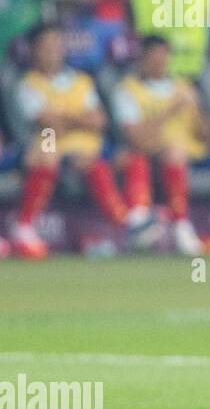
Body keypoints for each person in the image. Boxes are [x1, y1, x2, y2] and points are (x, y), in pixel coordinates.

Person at [9, 25, 139, 259]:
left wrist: (64, 115)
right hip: (58, 147)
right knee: (87, 164)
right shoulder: (28, 84)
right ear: (34, 51)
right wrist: (81, 117)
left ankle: (140, 217)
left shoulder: (81, 80)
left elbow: (99, 120)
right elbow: (50, 124)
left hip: (93, 146)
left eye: (57, 45)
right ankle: (126, 225)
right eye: (46, 46)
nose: (53, 51)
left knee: (133, 157)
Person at [112, 35, 210, 256]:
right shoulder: (127, 91)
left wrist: (196, 110)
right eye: (154, 57)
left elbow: (207, 137)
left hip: (193, 152)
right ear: (142, 59)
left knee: (177, 152)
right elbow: (137, 140)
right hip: (154, 155)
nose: (159, 62)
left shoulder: (184, 87)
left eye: (164, 57)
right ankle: (179, 225)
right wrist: (171, 110)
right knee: (155, 155)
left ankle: (173, 227)